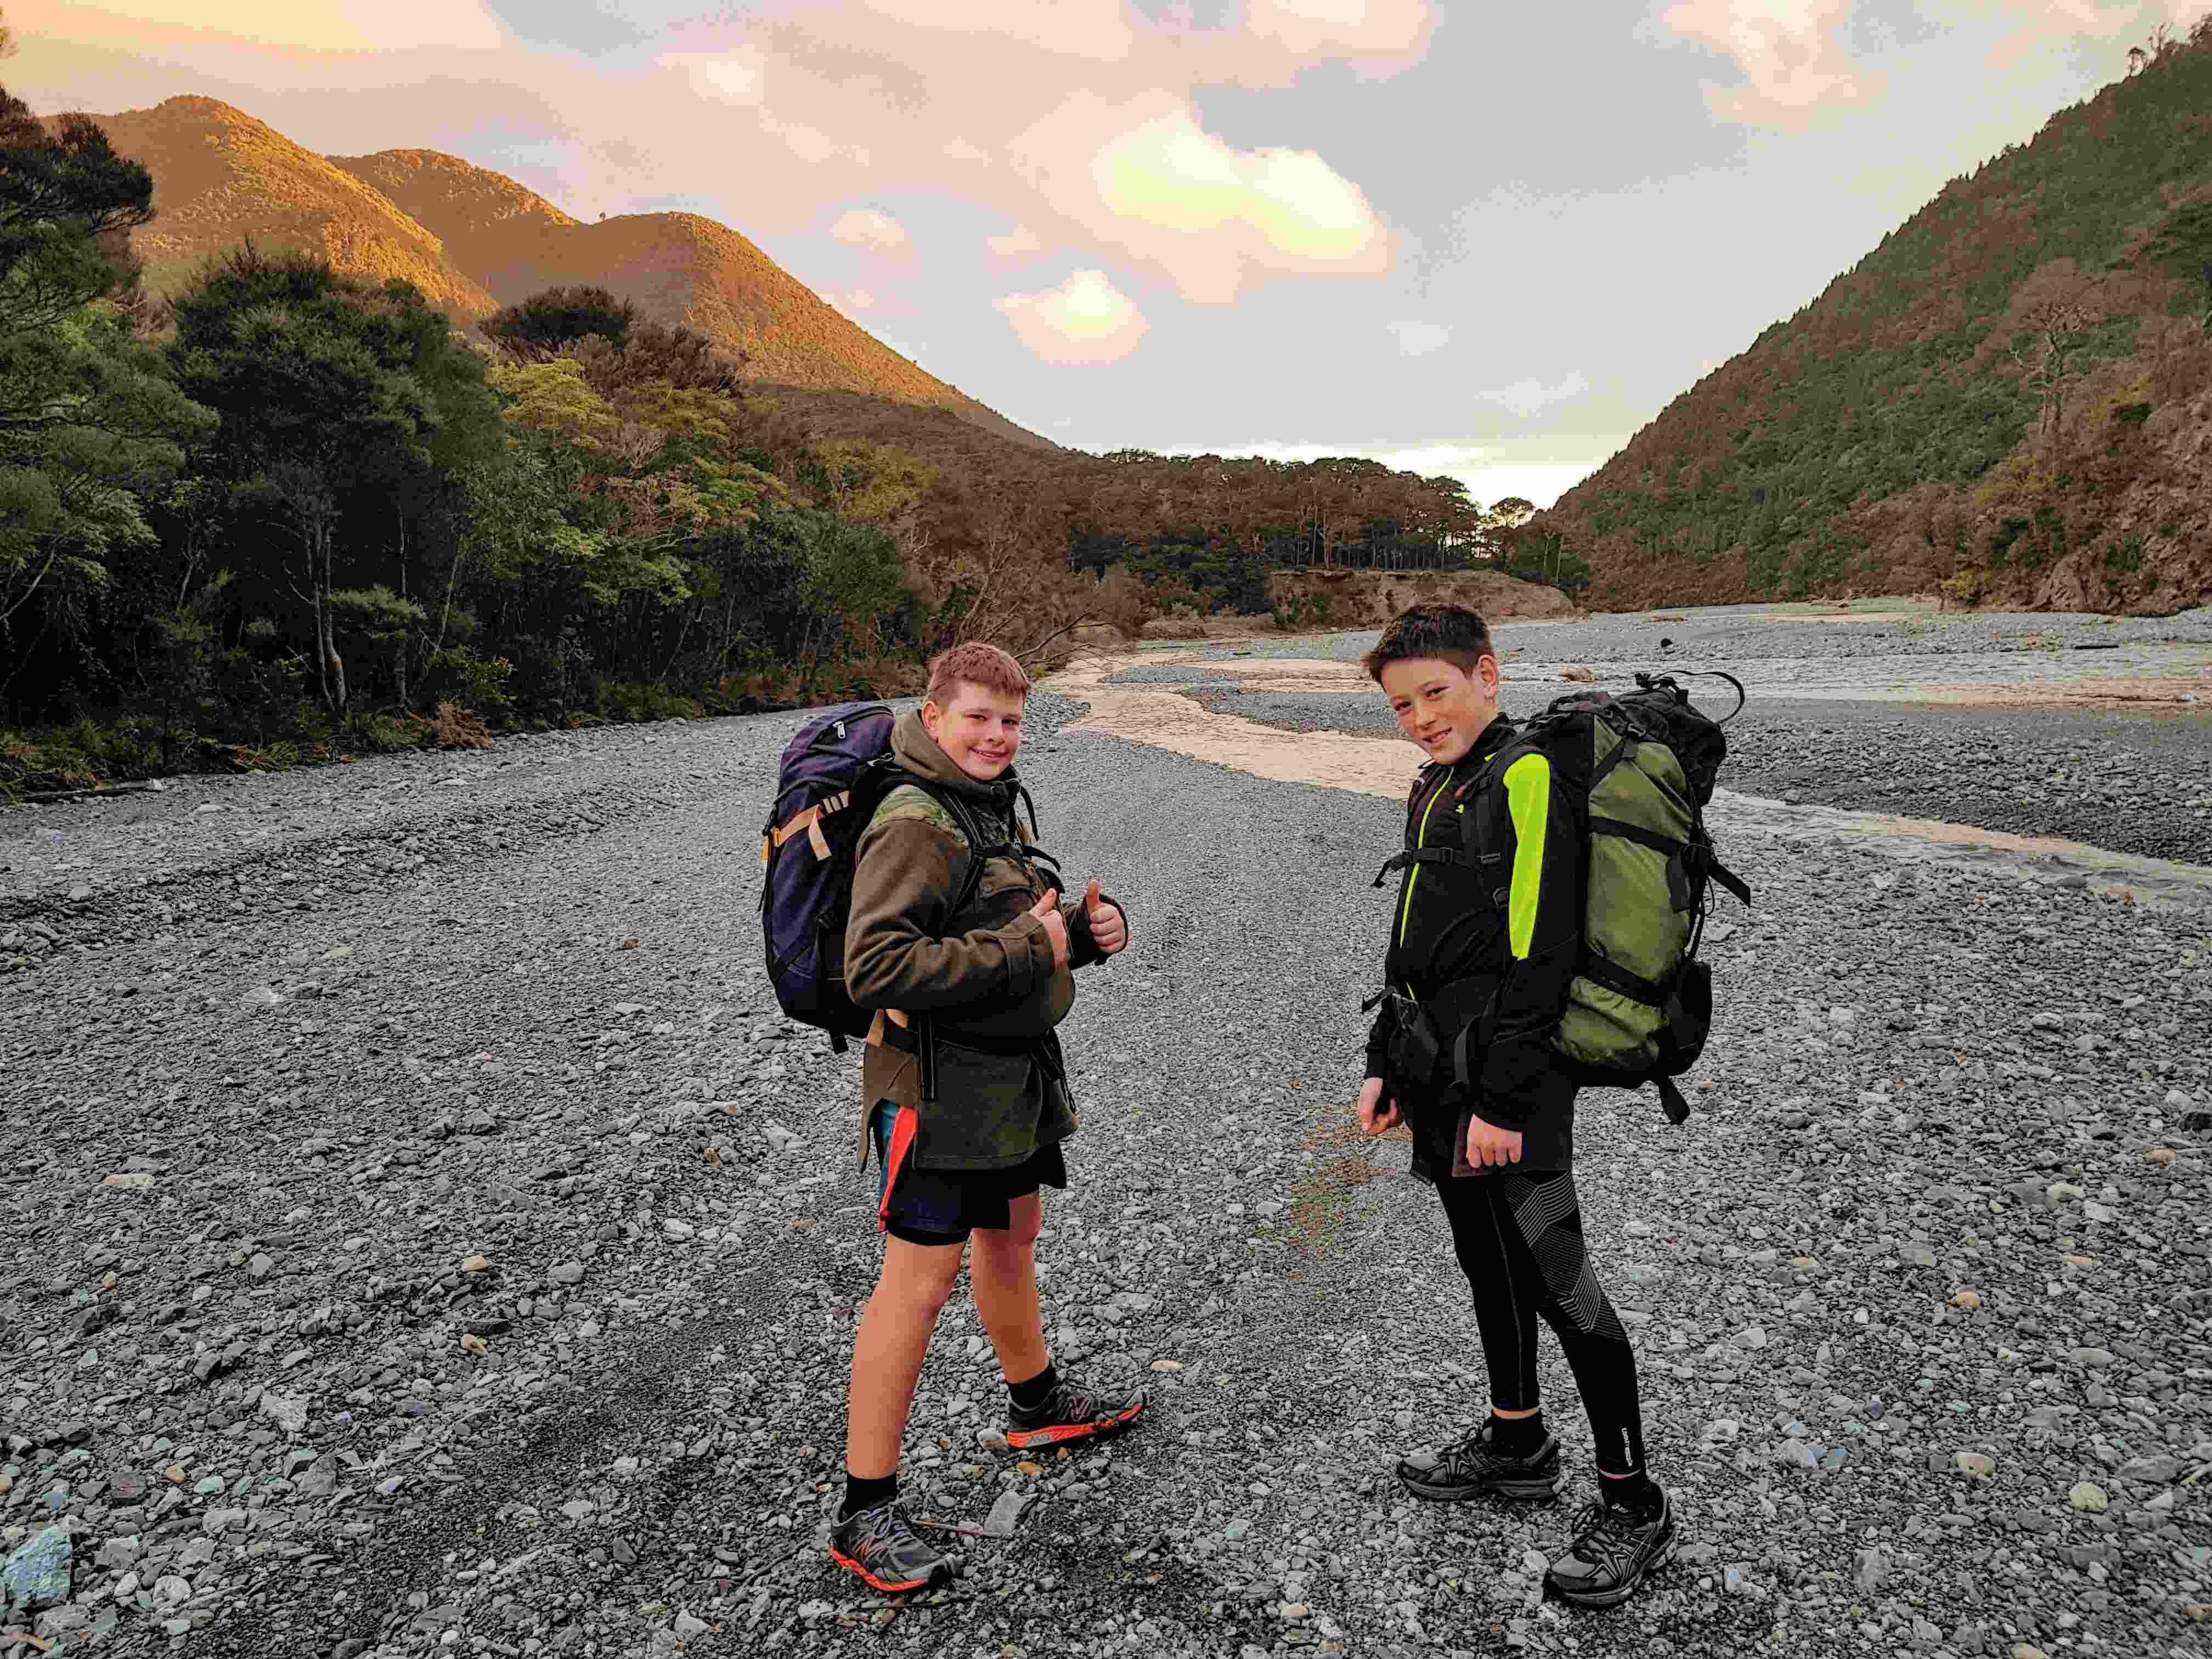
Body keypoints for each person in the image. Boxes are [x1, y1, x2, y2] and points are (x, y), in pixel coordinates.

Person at [1356, 602, 1676, 1609]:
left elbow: (1540, 954)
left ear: (1488, 675)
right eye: (1402, 704)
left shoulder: (1527, 773)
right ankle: (1517, 1437)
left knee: (1556, 1278)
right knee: (1482, 1262)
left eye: (1435, 693)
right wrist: (1383, 1061)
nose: (1419, 716)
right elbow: (1413, 936)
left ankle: (1632, 1500)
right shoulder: (1436, 783)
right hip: (1442, 1075)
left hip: (1511, 1087)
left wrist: (1505, 1097)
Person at [830, 641, 1144, 1593]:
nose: (997, 736)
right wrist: (1026, 946)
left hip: (1007, 1084)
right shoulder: (915, 819)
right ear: (934, 718)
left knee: (1013, 1237)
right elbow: (876, 969)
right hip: (933, 1093)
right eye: (977, 717)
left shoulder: (985, 806)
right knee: (916, 1289)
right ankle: (865, 1510)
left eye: (1010, 721)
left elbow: (1002, 934)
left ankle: (1038, 1402)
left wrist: (1079, 940)